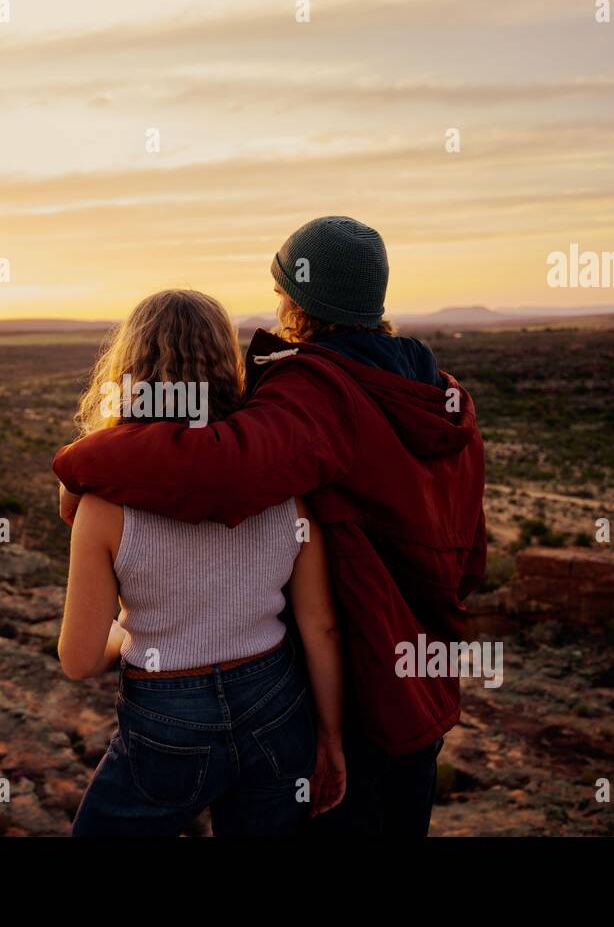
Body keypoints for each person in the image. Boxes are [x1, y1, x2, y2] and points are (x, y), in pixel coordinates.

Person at [54, 217, 487, 837]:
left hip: (357, 694)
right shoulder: (442, 401)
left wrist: (79, 463)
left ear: (305, 301)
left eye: (283, 289)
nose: (277, 303)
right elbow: (470, 559)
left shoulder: (318, 392)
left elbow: (215, 470)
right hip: (418, 687)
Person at [57, 288, 346, 837]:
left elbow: (78, 659)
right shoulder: (284, 487)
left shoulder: (102, 506)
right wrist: (330, 739)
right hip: (278, 704)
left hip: (169, 713)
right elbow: (321, 627)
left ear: (129, 367)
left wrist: (125, 631)